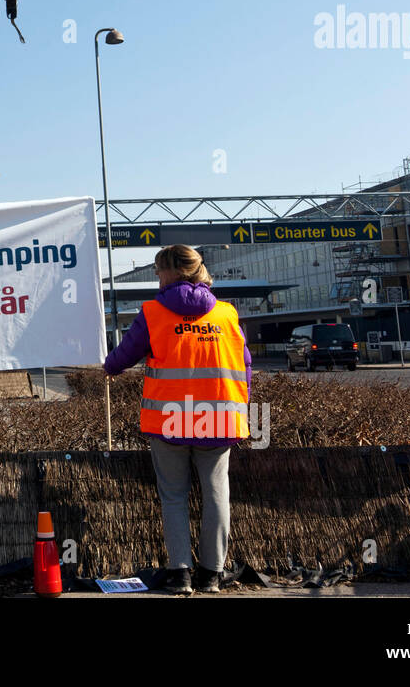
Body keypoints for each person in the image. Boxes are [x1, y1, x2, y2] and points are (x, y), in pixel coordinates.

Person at [104, 244, 252, 595]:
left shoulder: (153, 312)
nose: (155, 275)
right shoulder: (226, 314)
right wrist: (241, 407)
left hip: (170, 420)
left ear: (172, 271)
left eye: (158, 268)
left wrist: (108, 367)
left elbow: (125, 356)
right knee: (217, 496)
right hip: (218, 419)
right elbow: (245, 366)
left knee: (174, 497)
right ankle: (211, 575)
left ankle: (180, 574)